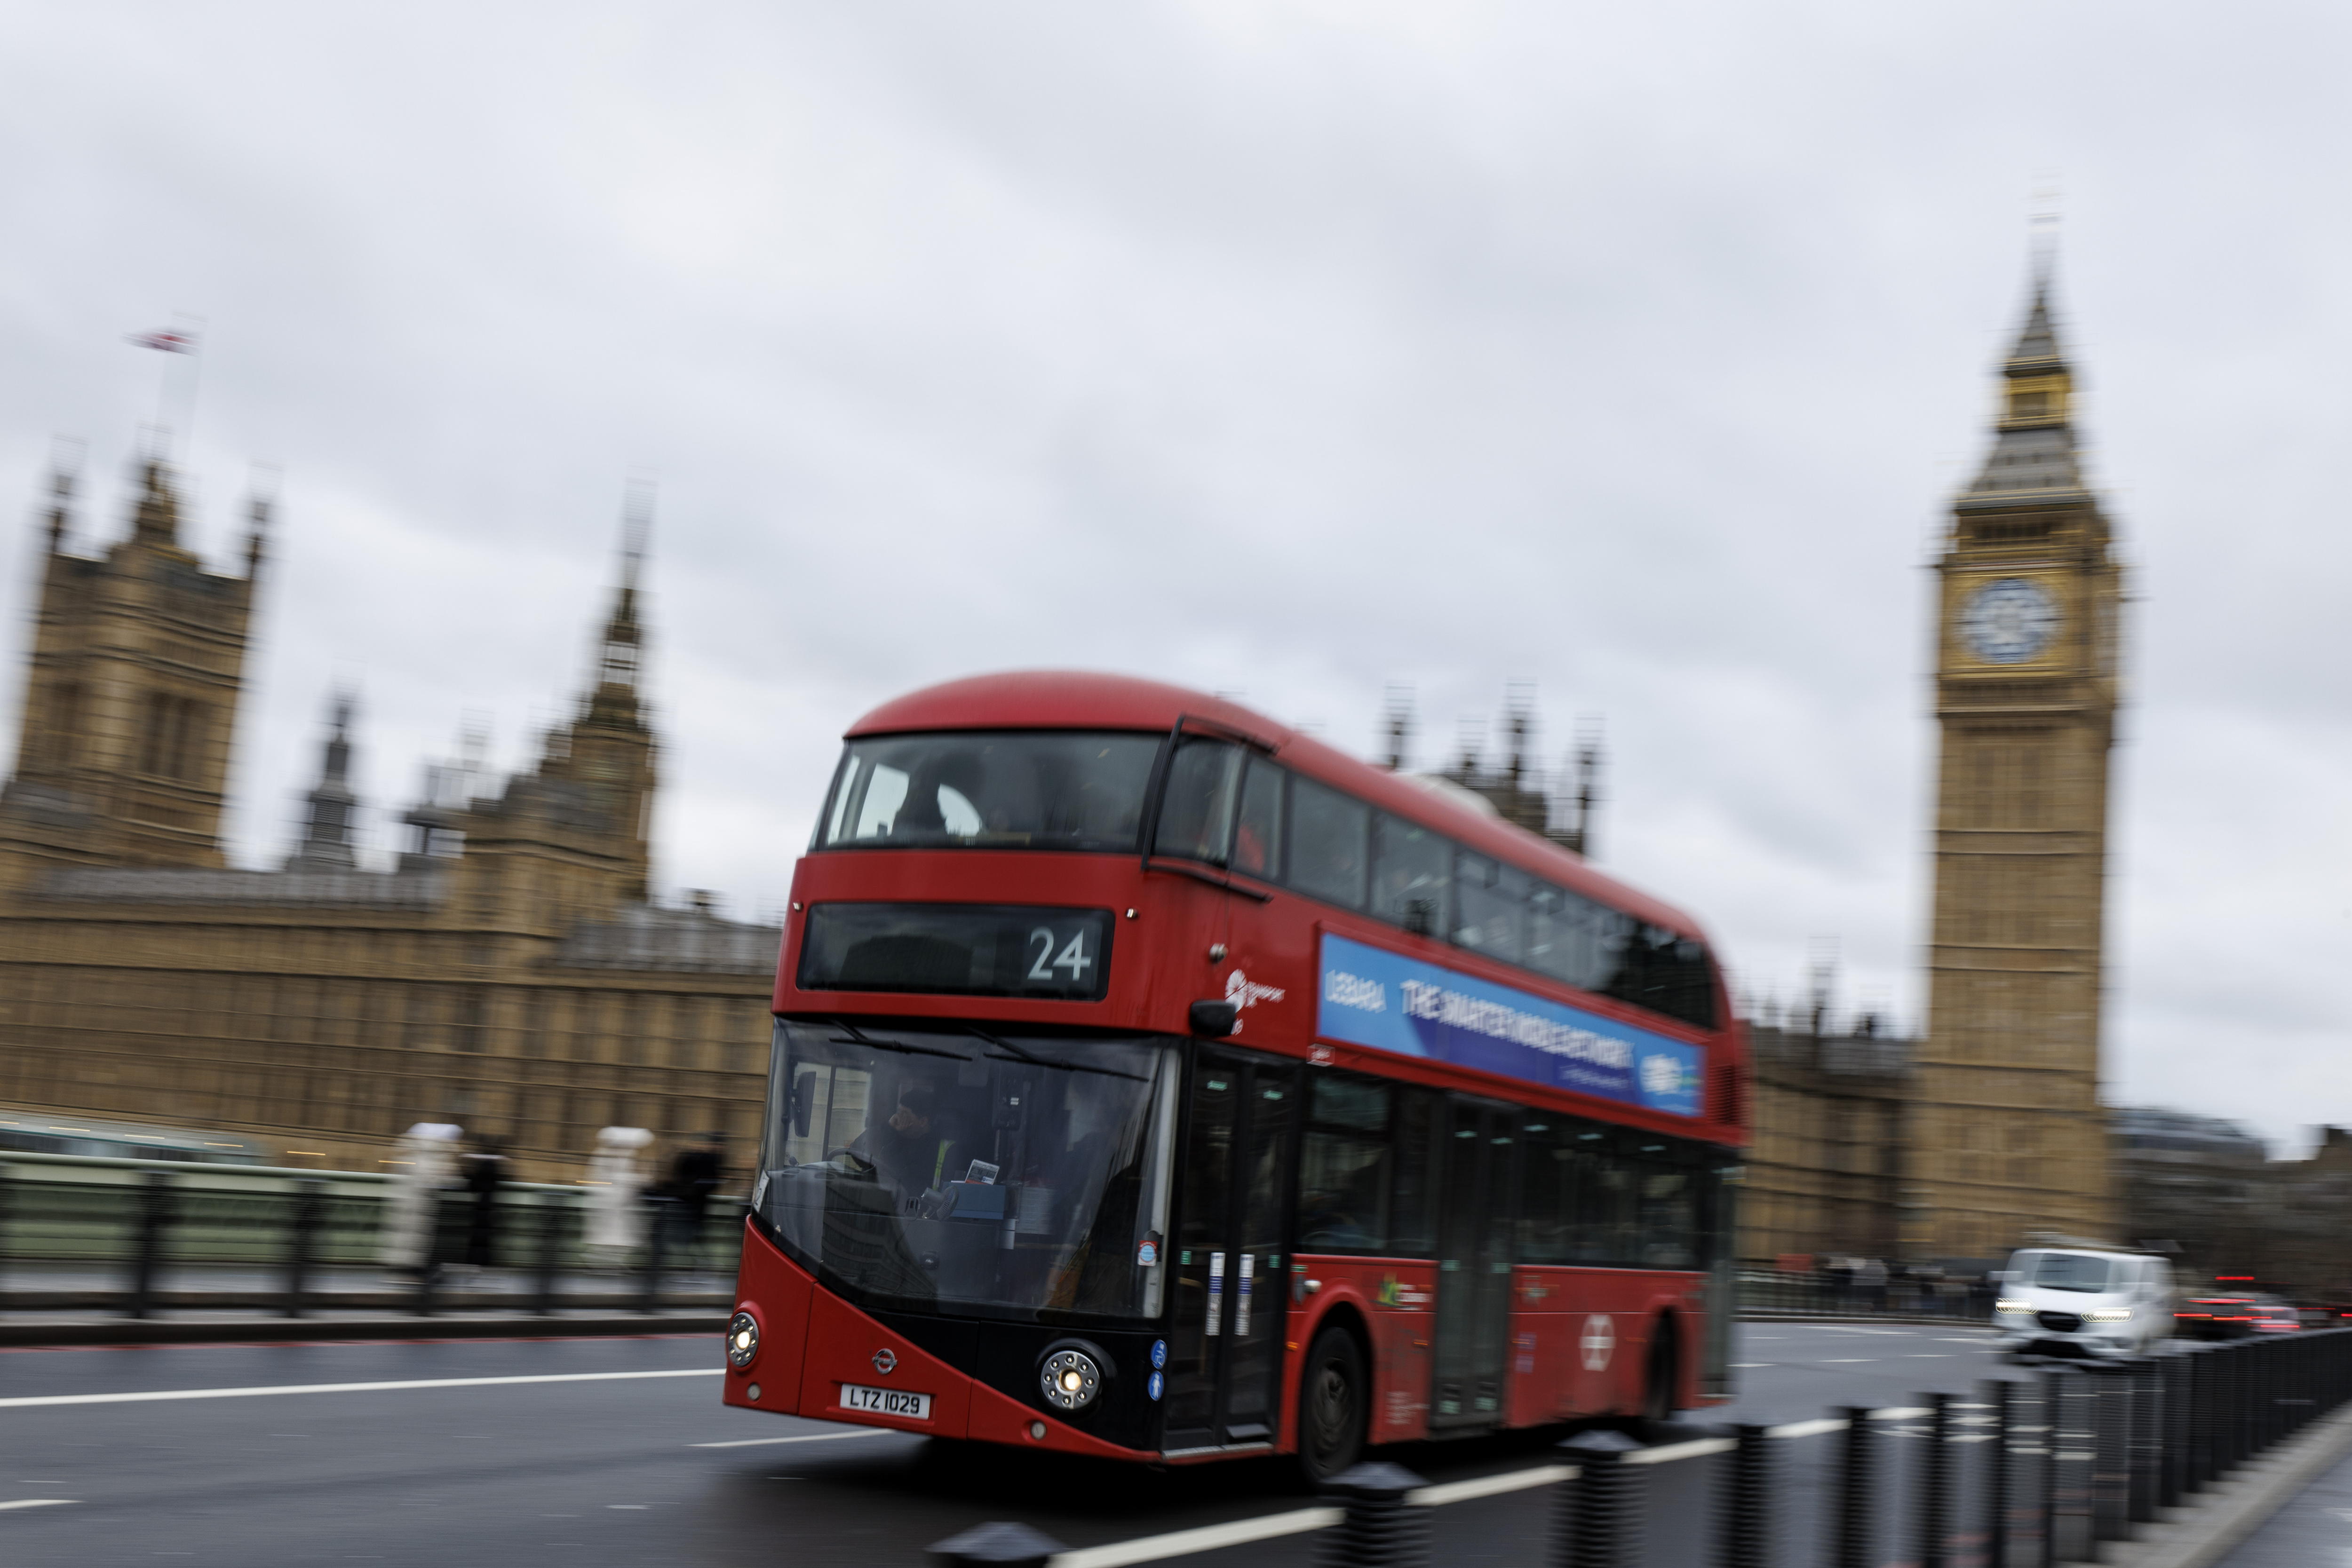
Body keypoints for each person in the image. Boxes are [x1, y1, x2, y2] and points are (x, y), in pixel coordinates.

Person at [379, 1122, 461, 1278]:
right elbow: (440, 1178)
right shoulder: (432, 1155)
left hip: (406, 1203)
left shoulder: (413, 1150)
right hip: (421, 1205)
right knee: (417, 1236)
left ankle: (401, 1265)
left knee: (404, 1235)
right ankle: (413, 1267)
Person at [585, 1126, 653, 1267]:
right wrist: (637, 1179)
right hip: (609, 1203)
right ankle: (600, 1262)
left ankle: (614, 1262)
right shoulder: (604, 1155)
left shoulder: (625, 1156)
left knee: (622, 1234)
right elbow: (607, 1178)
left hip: (622, 1204)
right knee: (608, 1234)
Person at [461, 1136, 508, 1269]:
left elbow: (472, 1186)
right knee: (486, 1239)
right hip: (491, 1207)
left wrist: (467, 1173)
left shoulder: (482, 1165)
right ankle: (483, 1263)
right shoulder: (496, 1165)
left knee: (477, 1238)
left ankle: (474, 1263)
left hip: (480, 1207)